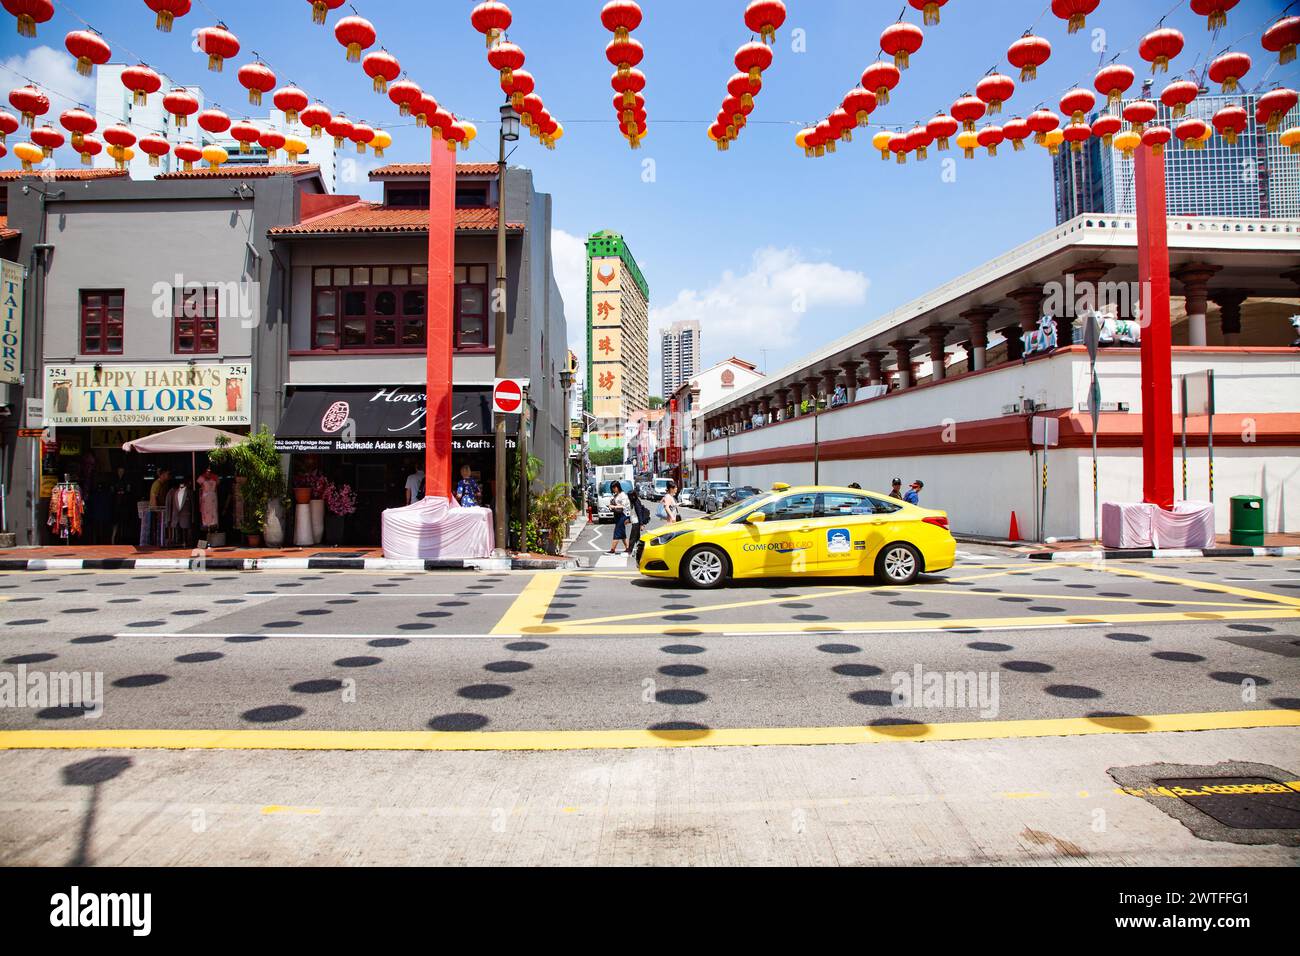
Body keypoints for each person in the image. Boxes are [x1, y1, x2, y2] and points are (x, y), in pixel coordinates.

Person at [608, 481, 630, 554]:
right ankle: (628, 547)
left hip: (622, 515)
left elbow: (624, 506)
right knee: (622, 533)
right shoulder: (617, 495)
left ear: (617, 487)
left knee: (617, 532)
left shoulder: (623, 495)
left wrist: (614, 506)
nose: (613, 489)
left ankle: (612, 549)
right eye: (612, 488)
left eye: (614, 488)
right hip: (617, 515)